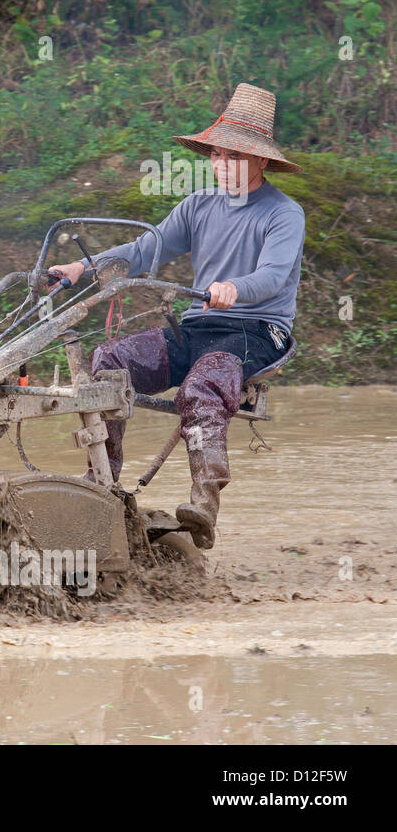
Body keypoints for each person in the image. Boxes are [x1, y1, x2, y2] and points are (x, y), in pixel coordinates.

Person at [49, 83, 306, 549]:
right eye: (217, 154)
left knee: (202, 385)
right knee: (109, 362)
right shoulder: (198, 206)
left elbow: (272, 275)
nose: (222, 164)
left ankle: (204, 501)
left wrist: (235, 288)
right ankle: (99, 485)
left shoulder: (284, 214)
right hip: (197, 326)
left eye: (235, 156)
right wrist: (81, 267)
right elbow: (143, 250)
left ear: (262, 161)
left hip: (256, 330)